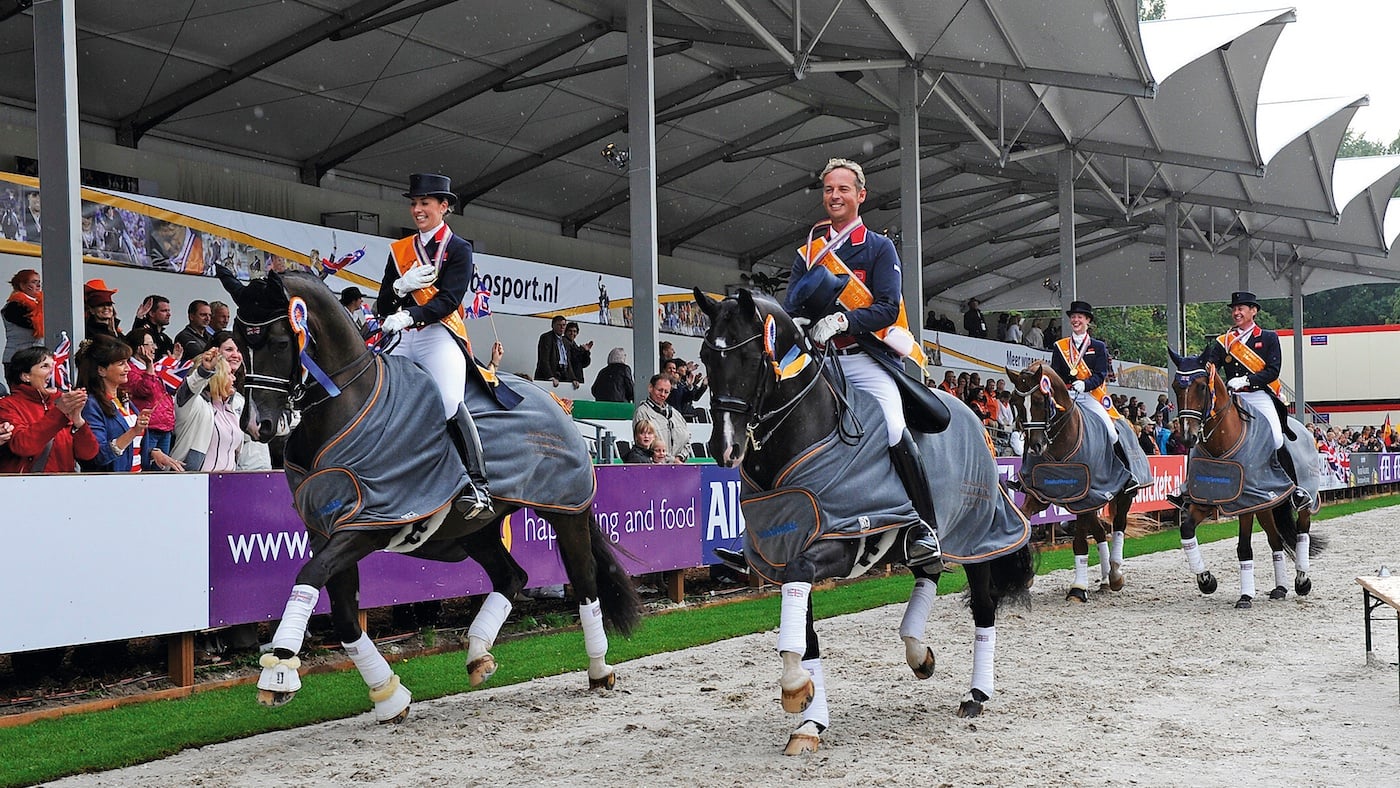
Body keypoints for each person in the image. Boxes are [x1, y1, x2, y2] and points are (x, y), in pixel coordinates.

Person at [782, 157, 940, 568]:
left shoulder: (878, 247)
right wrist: (800, 321)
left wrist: (844, 321)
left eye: (843, 189)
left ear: (861, 195)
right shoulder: (808, 251)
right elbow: (791, 305)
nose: (834, 196)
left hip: (863, 358)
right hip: (821, 361)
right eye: (829, 189)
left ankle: (923, 528)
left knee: (893, 425)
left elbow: (887, 307)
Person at [373, 172, 491, 518]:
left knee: (449, 400)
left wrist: (410, 315)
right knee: (374, 393)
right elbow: (383, 305)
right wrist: (400, 288)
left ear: (444, 206)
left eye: (424, 203)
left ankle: (477, 485)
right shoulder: (400, 251)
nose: (417, 210)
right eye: (414, 203)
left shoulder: (458, 249)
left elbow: (450, 300)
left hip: (438, 334)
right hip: (403, 334)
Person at [1196, 290, 1307, 507]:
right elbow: (1211, 367)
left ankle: (1294, 489)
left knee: (1276, 437)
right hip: (1232, 398)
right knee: (1201, 434)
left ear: (1253, 311)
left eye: (1241, 309)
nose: (1236, 313)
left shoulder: (1268, 338)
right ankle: (1189, 488)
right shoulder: (1223, 341)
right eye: (1234, 309)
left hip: (1258, 395)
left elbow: (1273, 371)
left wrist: (1247, 380)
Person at [1049, 300, 1137, 489]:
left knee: (1111, 432)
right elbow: (1055, 373)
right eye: (1073, 317)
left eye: (1079, 317)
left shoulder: (1098, 346)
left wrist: (1085, 384)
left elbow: (1100, 374)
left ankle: (1126, 475)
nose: (1076, 320)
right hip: (1066, 396)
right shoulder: (1060, 347)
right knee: (1042, 426)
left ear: (1087, 320)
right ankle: (1028, 474)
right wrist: (1065, 387)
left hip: (1090, 396)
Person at [0, 345, 99, 473]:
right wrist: (59, 413)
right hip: (29, 483)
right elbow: (23, 445)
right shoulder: (8, 405)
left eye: (54, 366)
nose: (53, 372)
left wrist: (78, 421)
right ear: (25, 376)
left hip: (65, 482)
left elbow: (88, 454)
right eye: (45, 366)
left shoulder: (59, 403)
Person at [172, 332, 245, 472]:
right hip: (194, 480)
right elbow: (188, 389)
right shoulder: (195, 404)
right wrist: (204, 371)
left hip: (228, 481)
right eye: (229, 374)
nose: (234, 378)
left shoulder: (235, 405)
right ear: (217, 377)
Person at [76, 334, 148, 473]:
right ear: (101, 370)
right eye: (121, 364)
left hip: (136, 479)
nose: (128, 368)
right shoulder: (91, 405)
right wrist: (133, 432)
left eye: (127, 362)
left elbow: (134, 445)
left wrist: (153, 452)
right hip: (111, 482)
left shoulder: (123, 399)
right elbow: (98, 455)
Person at [124, 327, 184, 471]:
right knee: (147, 470)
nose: (154, 348)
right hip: (148, 429)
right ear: (138, 348)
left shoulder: (155, 367)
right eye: (149, 344)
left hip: (165, 427)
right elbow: (145, 389)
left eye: (153, 344)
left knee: (161, 471)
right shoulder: (130, 370)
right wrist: (150, 365)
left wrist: (172, 361)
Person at [633, 373, 691, 463]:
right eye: (660, 390)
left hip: (679, 466)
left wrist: (680, 457)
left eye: (666, 392)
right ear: (650, 388)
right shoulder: (642, 412)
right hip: (655, 468)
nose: (662, 394)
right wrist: (672, 461)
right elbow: (644, 445)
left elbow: (687, 441)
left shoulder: (676, 414)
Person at [3, 269, 43, 364]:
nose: (38, 285)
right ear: (22, 285)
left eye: (39, 282)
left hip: (36, 358)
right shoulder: (14, 306)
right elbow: (34, 325)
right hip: (17, 358)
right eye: (34, 282)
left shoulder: (40, 305)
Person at [534, 315, 577, 387]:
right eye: (559, 325)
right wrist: (550, 376)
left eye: (564, 325)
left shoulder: (565, 341)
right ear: (553, 326)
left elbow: (567, 362)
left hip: (563, 374)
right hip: (549, 375)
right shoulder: (546, 337)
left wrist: (573, 378)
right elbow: (544, 360)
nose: (562, 327)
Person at [565, 321, 592, 386]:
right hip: (568, 379)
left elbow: (584, 364)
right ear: (565, 332)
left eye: (574, 331)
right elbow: (571, 360)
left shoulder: (575, 345)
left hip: (577, 379)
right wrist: (582, 350)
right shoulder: (563, 343)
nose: (572, 333)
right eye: (570, 331)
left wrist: (586, 352)